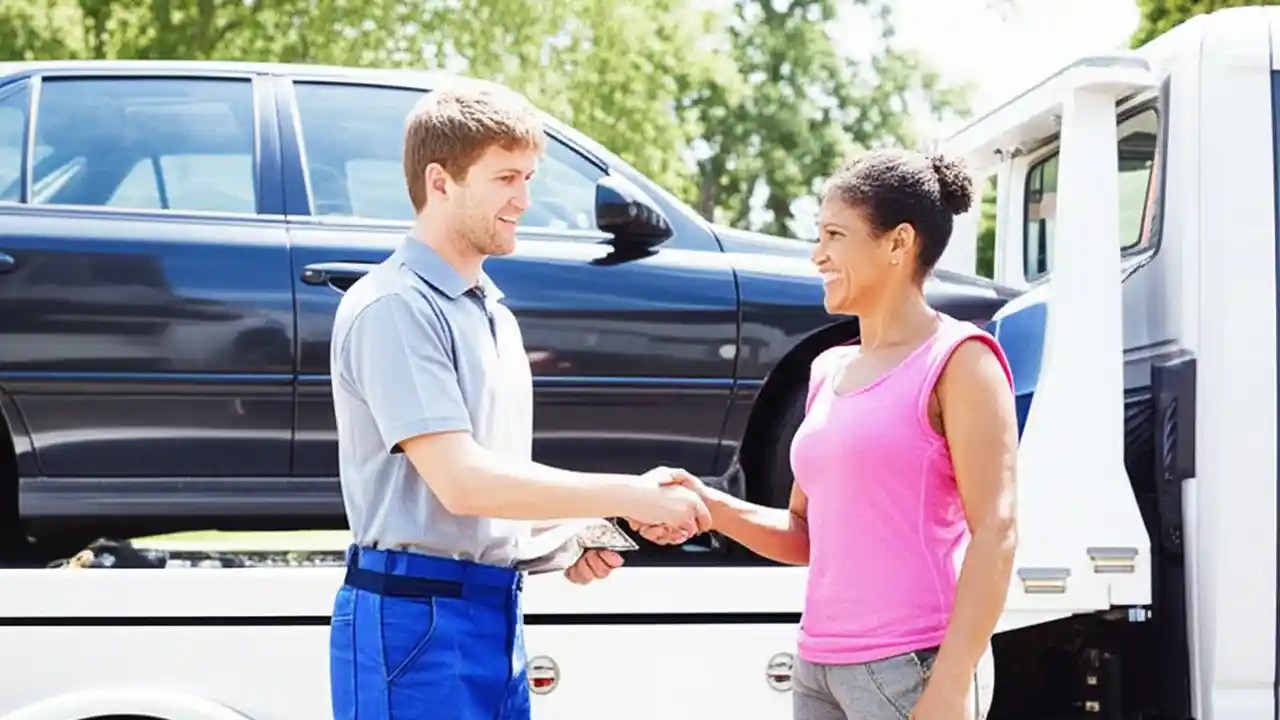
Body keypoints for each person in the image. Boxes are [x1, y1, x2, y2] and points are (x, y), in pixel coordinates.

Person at [326, 78, 710, 720]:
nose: (525, 200)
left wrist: (573, 539)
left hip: (493, 611)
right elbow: (464, 484)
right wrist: (630, 495)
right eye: (506, 178)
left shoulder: (492, 314)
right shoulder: (396, 306)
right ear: (440, 181)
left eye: (528, 178)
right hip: (411, 625)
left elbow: (493, 501)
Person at [636, 148, 1018, 720]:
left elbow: (997, 531)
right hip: (818, 668)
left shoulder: (960, 361)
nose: (817, 255)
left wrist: (950, 685)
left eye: (835, 235)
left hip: (911, 666)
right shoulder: (828, 370)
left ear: (898, 243)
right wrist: (709, 503)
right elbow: (803, 534)